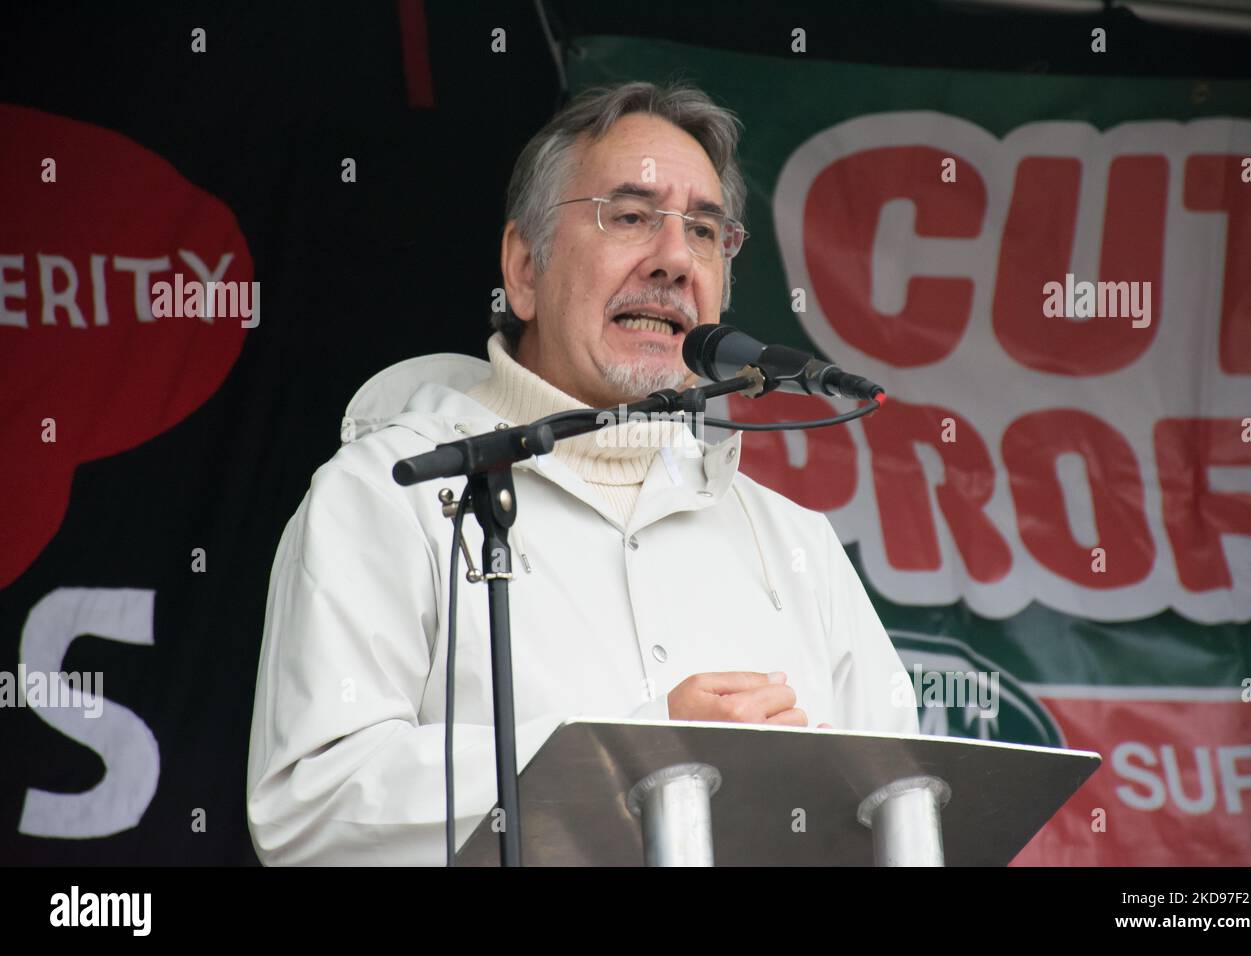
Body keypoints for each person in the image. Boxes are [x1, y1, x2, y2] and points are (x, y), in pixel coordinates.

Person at [246, 81, 918, 866]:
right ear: (524, 268)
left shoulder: (793, 542)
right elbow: (311, 807)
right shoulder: (388, 496)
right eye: (630, 216)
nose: (673, 259)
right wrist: (631, 760)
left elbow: (905, 813)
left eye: (703, 231)